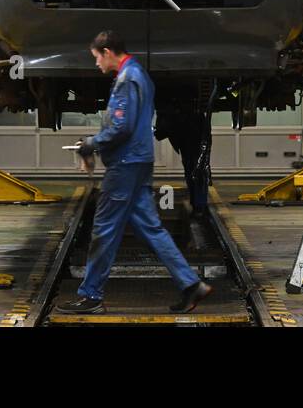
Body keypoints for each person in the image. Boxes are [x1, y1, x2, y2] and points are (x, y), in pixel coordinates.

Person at [55, 31, 213, 315]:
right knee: (152, 228)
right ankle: (191, 285)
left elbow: (121, 127)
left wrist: (93, 143)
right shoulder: (139, 74)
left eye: (96, 58)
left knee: (103, 229)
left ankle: (91, 295)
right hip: (139, 161)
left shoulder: (128, 79)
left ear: (107, 52)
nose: (96, 65)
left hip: (125, 165)